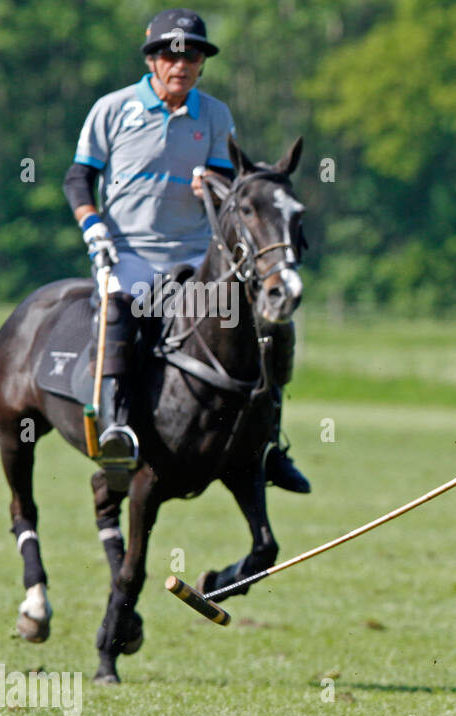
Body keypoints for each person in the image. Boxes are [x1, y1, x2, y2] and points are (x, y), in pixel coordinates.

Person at [63, 7, 309, 493]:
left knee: (263, 325)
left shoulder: (215, 115)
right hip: (128, 250)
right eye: (170, 56)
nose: (181, 65)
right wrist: (91, 225)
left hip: (195, 253)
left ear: (201, 63)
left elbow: (225, 179)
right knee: (121, 314)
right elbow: (78, 177)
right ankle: (118, 432)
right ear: (152, 60)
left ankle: (268, 446)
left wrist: (211, 186)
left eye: (191, 56)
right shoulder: (113, 109)